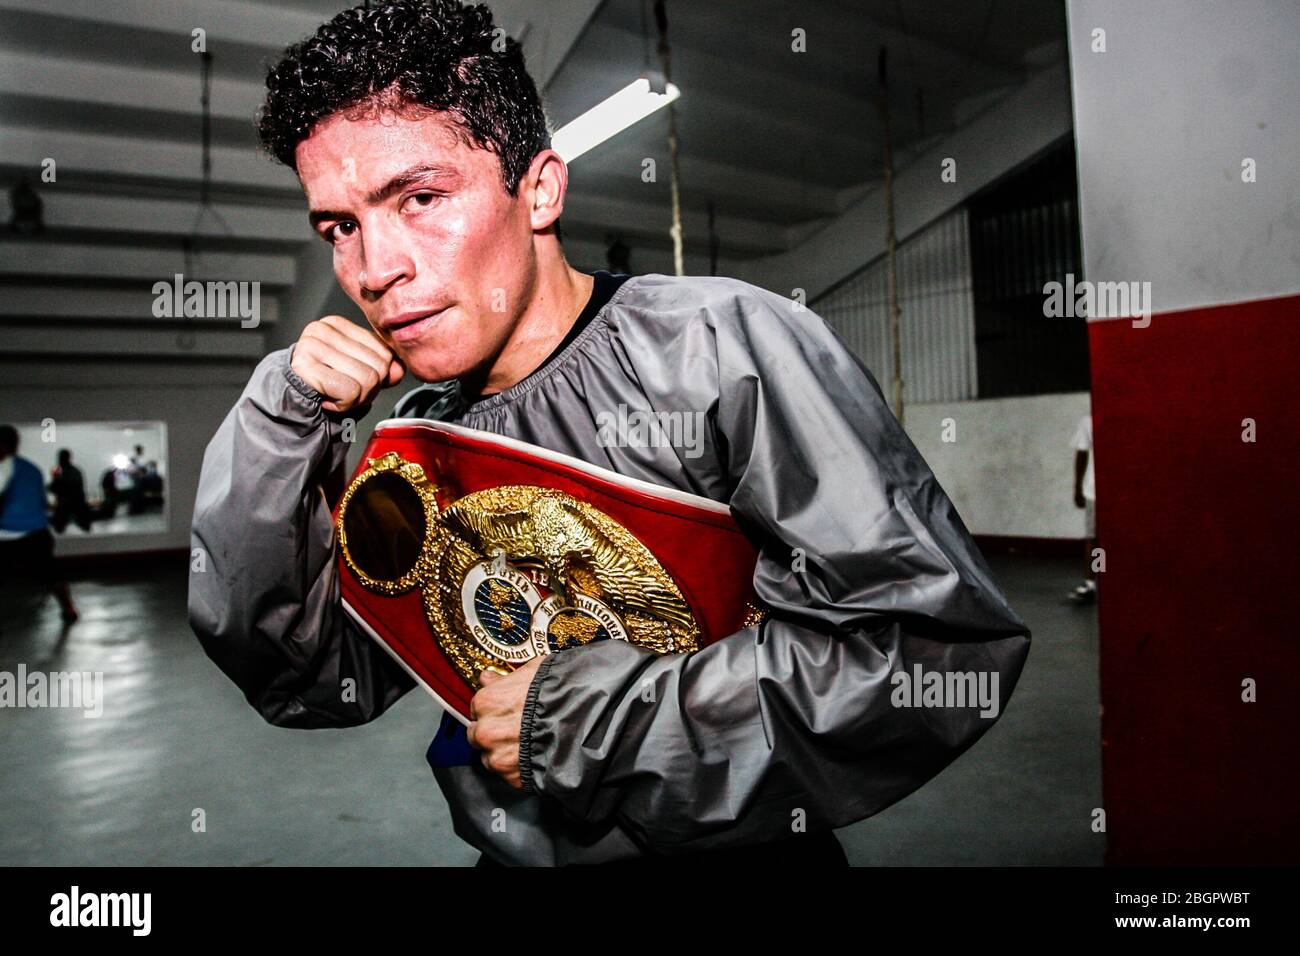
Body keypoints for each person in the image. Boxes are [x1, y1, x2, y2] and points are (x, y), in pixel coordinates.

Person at [189, 0, 1031, 867]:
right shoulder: (413, 440)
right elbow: (316, 681)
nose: (375, 269)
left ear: (540, 188)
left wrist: (602, 720)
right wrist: (276, 429)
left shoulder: (720, 347)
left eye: (421, 197)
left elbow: (929, 649)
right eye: (341, 227)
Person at [0, 425, 78, 623]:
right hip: (36, 533)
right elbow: (42, 500)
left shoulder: (7, 468)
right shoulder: (32, 469)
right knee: (51, 574)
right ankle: (68, 608)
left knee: (50, 574)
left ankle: (68, 608)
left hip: (18, 533)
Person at [1069, 413, 1097, 603]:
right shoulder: (1088, 421)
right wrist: (1078, 486)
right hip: (1094, 491)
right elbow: (1082, 454)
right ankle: (1092, 581)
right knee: (1094, 538)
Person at [49, 449, 92, 534]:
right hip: (71, 502)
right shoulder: (67, 471)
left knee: (61, 524)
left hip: (72, 502)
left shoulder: (69, 471)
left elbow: (68, 486)